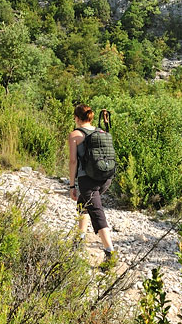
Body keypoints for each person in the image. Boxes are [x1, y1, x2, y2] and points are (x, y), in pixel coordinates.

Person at [67, 103, 115, 267]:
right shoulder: (100, 131)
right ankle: (79, 239)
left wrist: (72, 185)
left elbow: (73, 161)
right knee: (84, 204)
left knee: (97, 213)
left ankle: (110, 253)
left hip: (88, 180)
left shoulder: (75, 134)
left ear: (77, 118)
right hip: (106, 178)